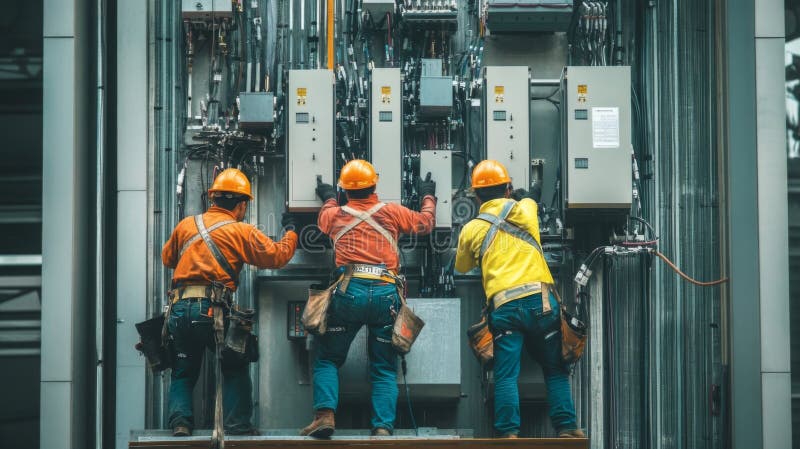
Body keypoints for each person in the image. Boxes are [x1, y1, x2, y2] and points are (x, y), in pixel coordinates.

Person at [300, 159, 436, 438]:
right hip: (386, 293)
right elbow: (426, 223)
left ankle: (325, 415)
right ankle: (383, 429)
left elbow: (325, 214)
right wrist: (428, 195)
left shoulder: (334, 215)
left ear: (344, 190)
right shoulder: (393, 212)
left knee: (327, 359)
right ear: (375, 185)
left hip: (349, 291)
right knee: (384, 367)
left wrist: (327, 196)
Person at [161, 168, 298, 437]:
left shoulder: (186, 225)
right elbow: (277, 257)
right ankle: (236, 425)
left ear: (213, 199)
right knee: (234, 366)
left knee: (183, 371)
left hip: (179, 309)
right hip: (213, 311)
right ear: (241, 204)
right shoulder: (241, 231)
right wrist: (292, 231)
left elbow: (168, 259)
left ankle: (180, 423)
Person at [454, 160, 584, 439]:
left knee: (506, 373)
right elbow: (532, 199)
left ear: (476, 195)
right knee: (555, 368)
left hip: (505, 308)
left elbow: (462, 266)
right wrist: (526, 194)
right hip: (541, 303)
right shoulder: (525, 210)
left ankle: (509, 433)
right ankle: (567, 429)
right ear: (508, 188)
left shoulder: (472, 229)